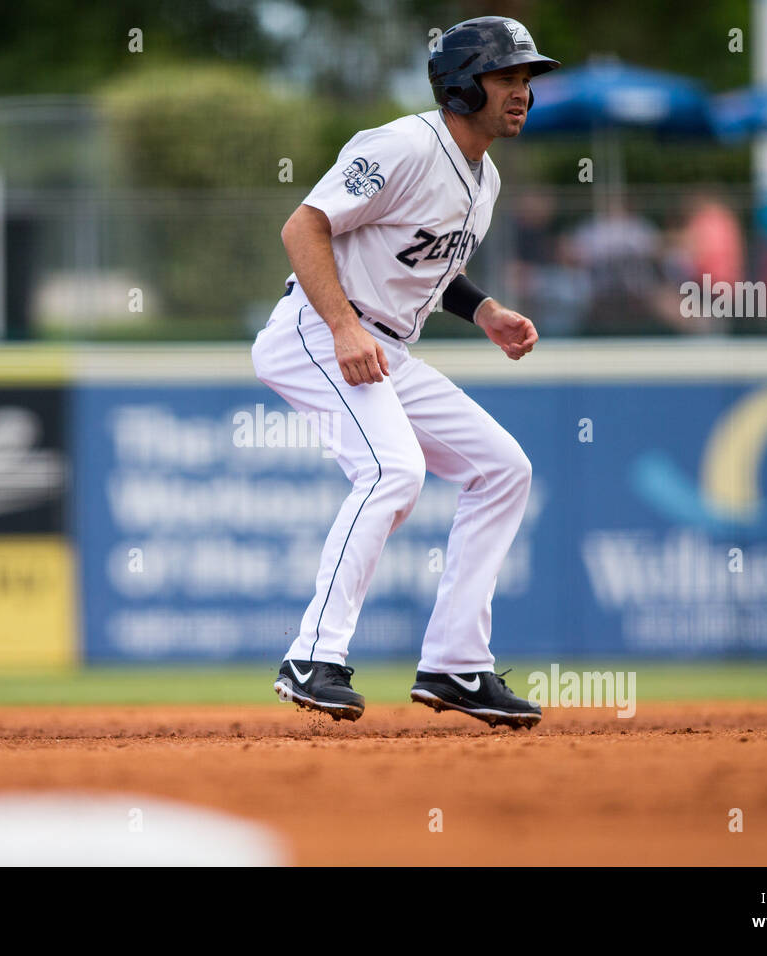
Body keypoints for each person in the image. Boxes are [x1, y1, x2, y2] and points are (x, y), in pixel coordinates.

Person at [250, 16, 557, 729]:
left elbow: (426, 265)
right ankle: (311, 657)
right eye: (506, 76)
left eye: (525, 80)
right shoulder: (403, 144)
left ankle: (454, 664)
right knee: (394, 471)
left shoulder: (485, 179)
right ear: (460, 84)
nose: (521, 92)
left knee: (502, 468)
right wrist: (343, 325)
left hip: (384, 346)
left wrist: (483, 312)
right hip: (318, 332)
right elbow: (305, 226)